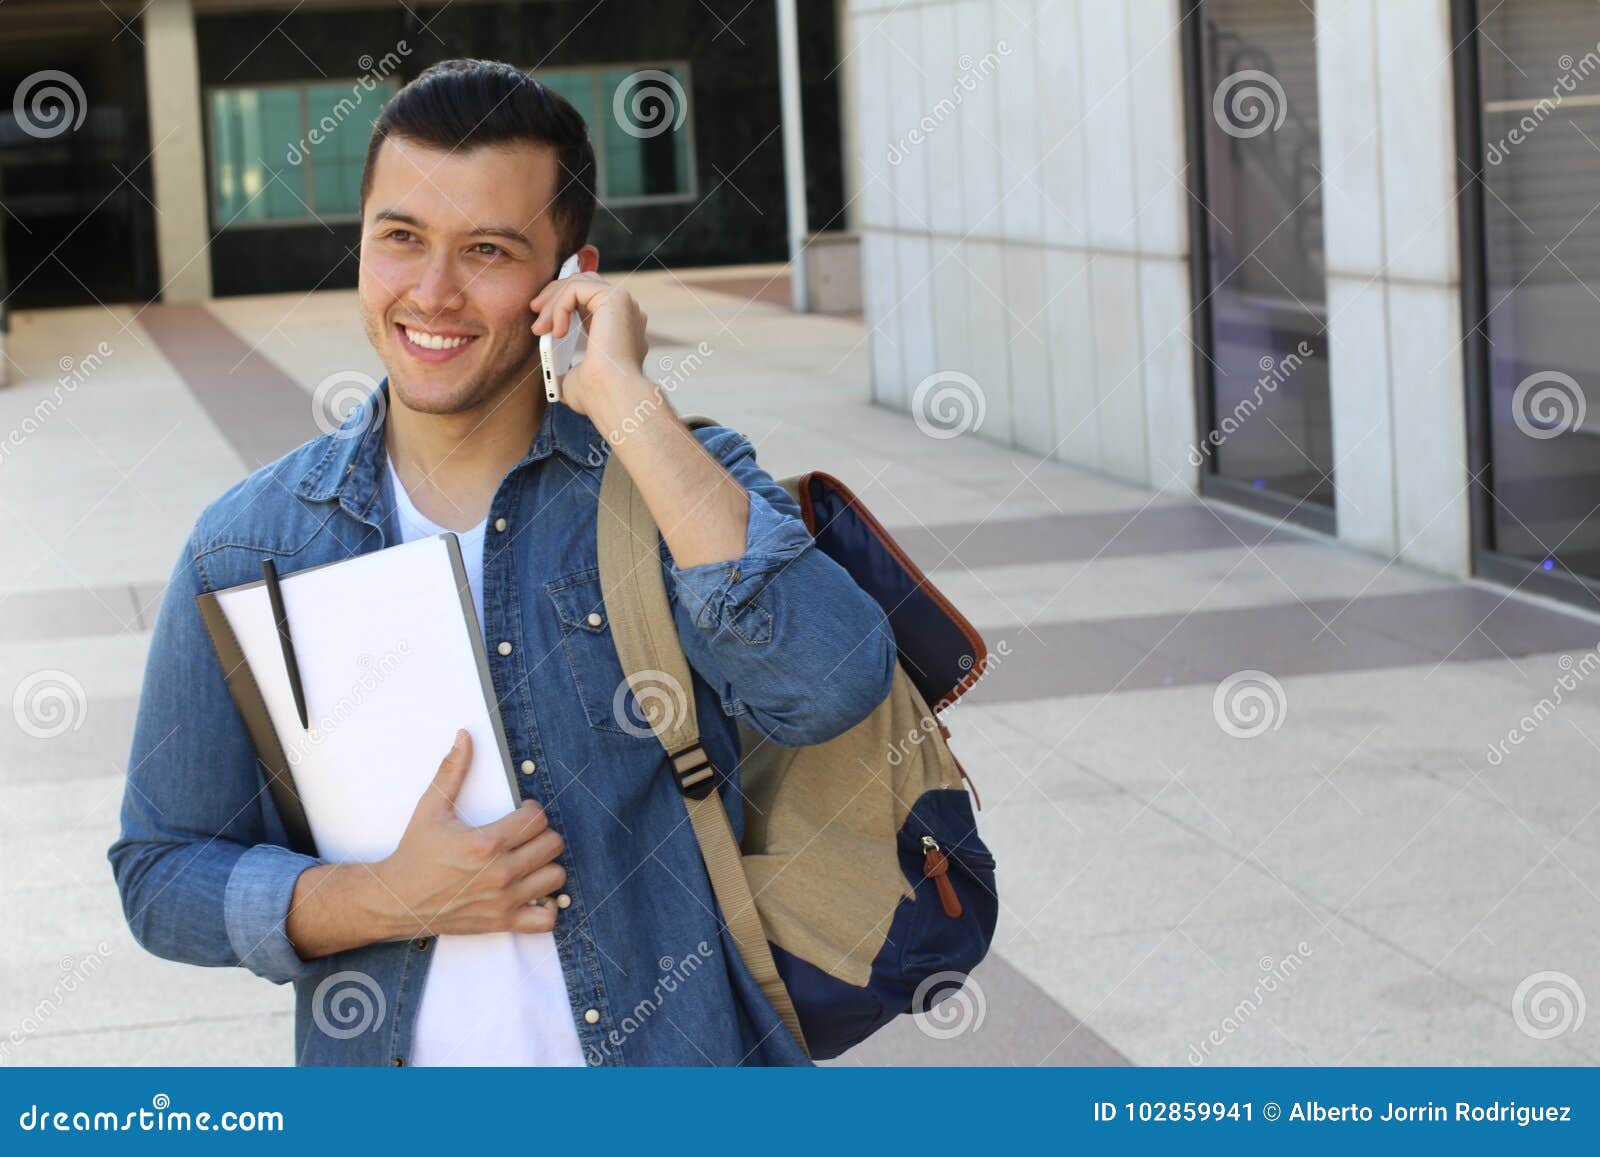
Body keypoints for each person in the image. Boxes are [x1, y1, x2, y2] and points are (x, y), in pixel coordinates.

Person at [108, 58, 896, 1067]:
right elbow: (159, 871)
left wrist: (622, 399)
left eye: (487, 249)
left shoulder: (675, 484)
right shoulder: (250, 542)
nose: (432, 293)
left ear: (566, 279)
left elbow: (833, 683)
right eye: (401, 238)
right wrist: (384, 895)